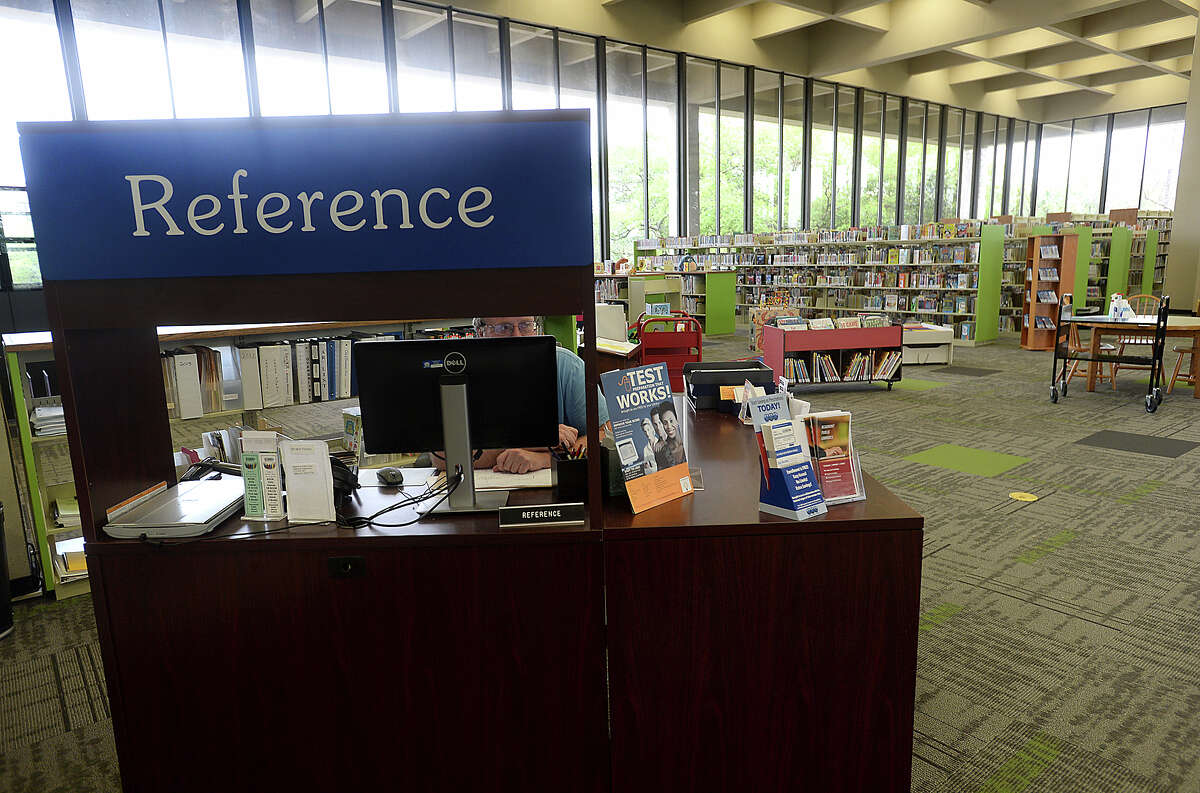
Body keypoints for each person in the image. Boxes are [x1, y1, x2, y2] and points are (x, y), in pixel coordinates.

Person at [462, 316, 609, 474]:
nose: (517, 337)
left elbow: (605, 434)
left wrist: (546, 459)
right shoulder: (462, 371)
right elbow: (445, 457)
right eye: (504, 328)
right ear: (481, 332)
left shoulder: (566, 366)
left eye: (525, 325)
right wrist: (536, 439)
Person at [652, 400, 685, 469]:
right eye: (665, 423)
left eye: (671, 421)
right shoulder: (661, 451)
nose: (669, 426)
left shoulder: (688, 442)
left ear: (677, 420)